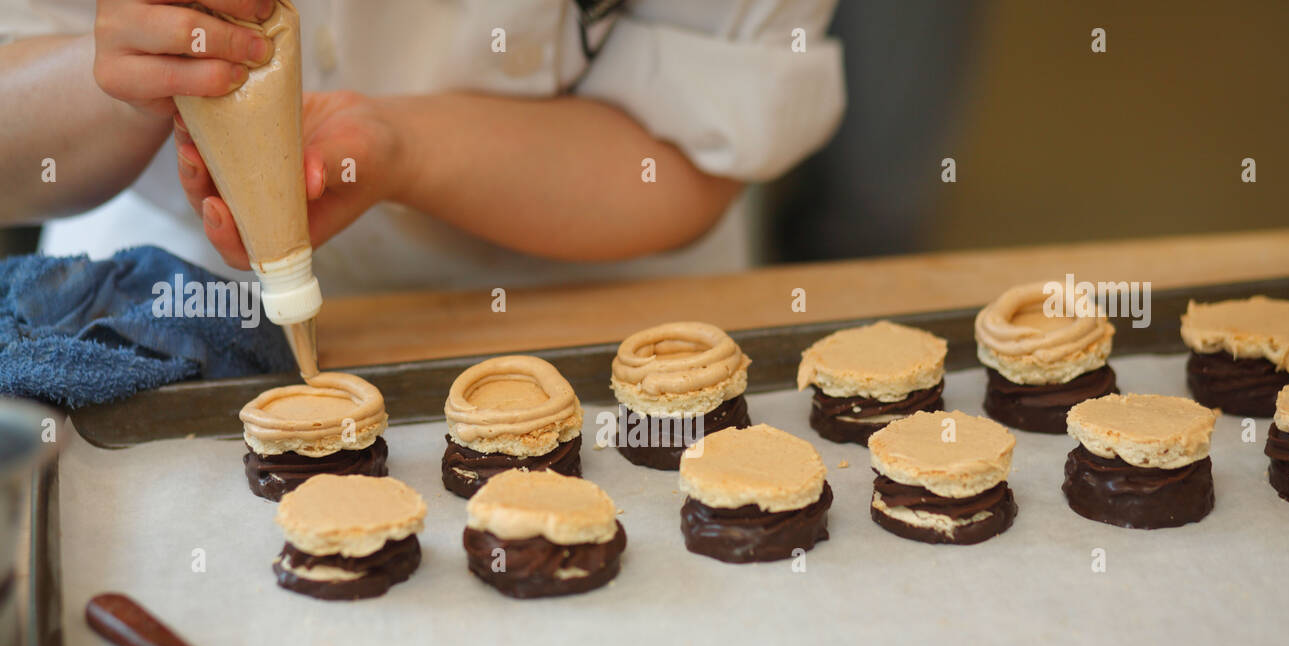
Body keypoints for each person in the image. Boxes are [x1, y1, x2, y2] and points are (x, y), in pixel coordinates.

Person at [0, 0, 845, 295]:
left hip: (596, 290)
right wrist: (124, 70)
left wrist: (395, 146)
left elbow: (693, 144)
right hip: (171, 291)